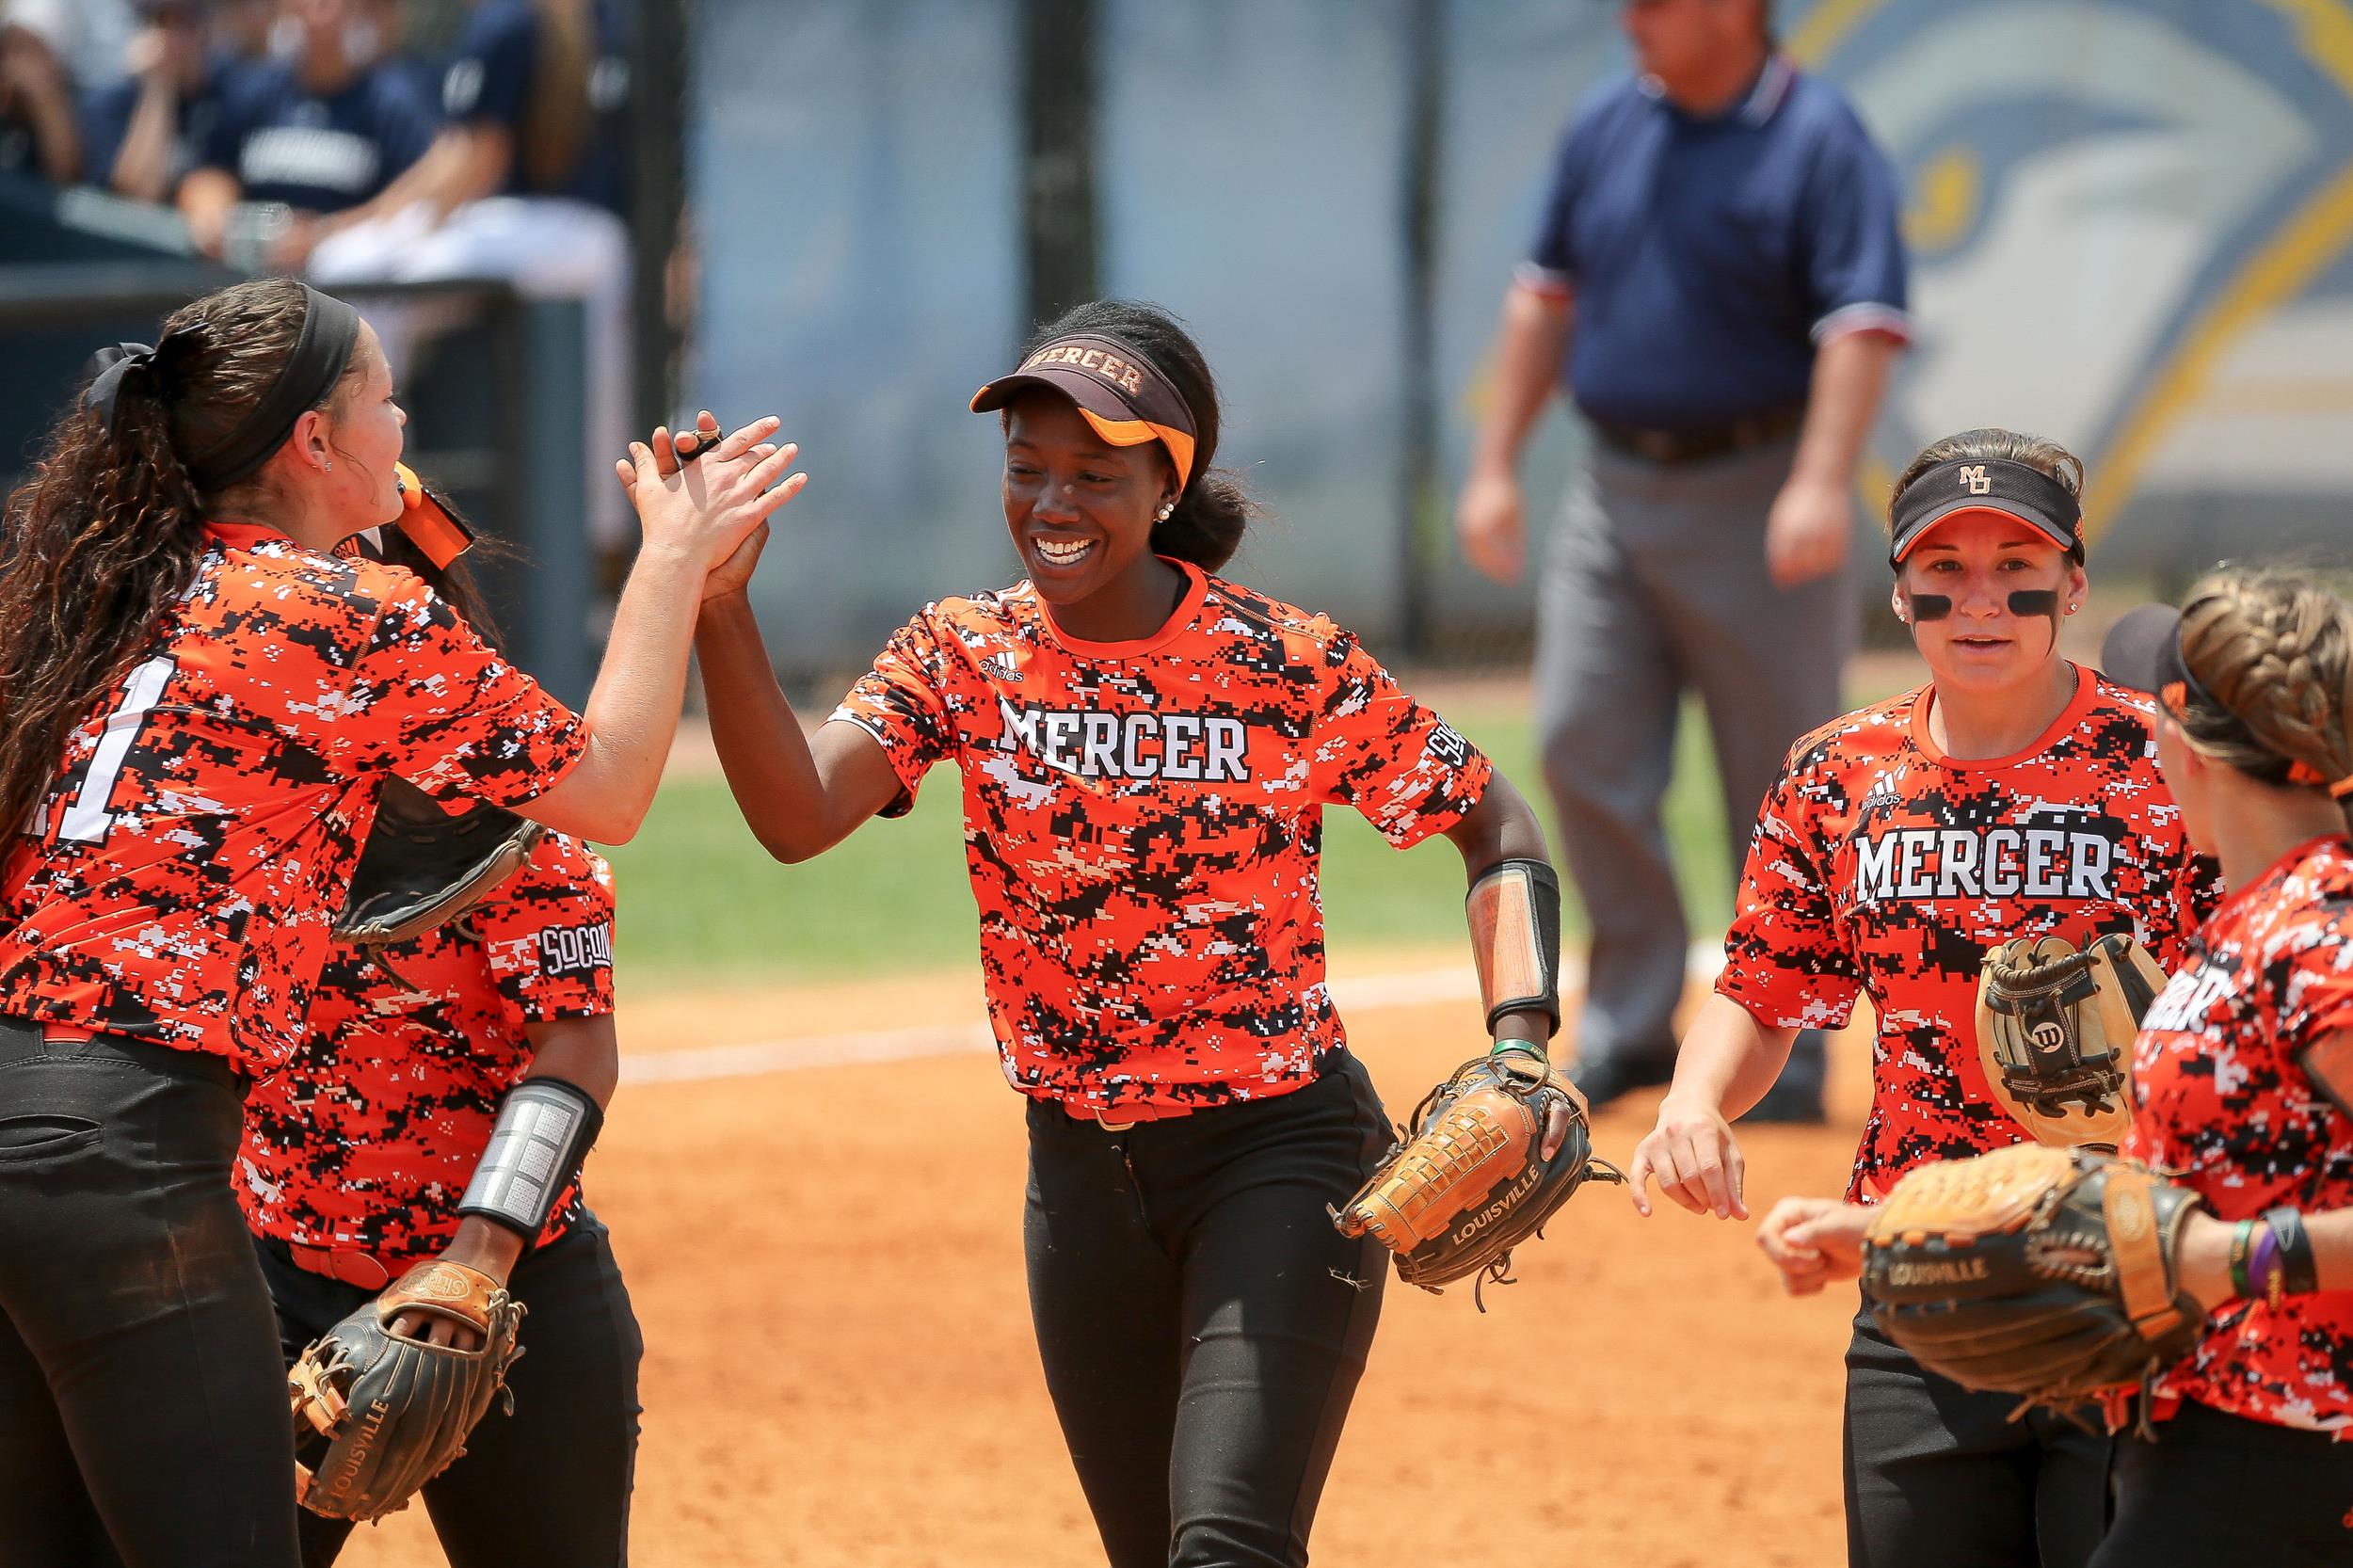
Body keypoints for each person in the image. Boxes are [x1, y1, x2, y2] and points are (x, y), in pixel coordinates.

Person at [665, 300, 1574, 1568]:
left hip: (1282, 1152)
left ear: (1166, 484)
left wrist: (1519, 1042)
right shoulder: (962, 653)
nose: (1055, 502)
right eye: (1028, 469)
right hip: (1079, 1178)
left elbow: (1500, 826)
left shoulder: (1280, 662)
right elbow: (798, 815)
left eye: (1096, 475)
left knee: (1227, 1544)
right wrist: (718, 607)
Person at [0, 275, 793, 1566]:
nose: (404, 413)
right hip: (132, 1159)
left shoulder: (111, 599)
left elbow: (569, 1028)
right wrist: (669, 557)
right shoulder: (334, 613)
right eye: (380, 393)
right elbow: (609, 784)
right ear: (314, 442)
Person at [1635, 428, 2218, 1568]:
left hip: (2122, 1272)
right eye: (1943, 571)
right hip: (1923, 1269)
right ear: (1899, 591)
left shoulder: (2167, 764)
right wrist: (1693, 1099)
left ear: (2075, 582)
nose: (1980, 601)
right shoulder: (1837, 776)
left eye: (2015, 566)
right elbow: (1763, 989)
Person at [1453, 0, 1910, 1120]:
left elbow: (1861, 324)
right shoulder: (1610, 120)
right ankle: (1630, 1022)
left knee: (1782, 781)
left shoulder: (1817, 137)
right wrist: (1495, 461)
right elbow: (1542, 296)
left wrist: (1817, 476)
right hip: (1610, 488)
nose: (1629, 15)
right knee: (1578, 740)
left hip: (1759, 487)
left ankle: (1788, 1050)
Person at [242, 530, 636, 1568]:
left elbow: (576, 1049)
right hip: (268, 1279)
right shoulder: (240, 811)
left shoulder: (524, 834)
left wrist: (473, 1265)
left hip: (508, 1297)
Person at [310, 0, 635, 552]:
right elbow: (462, 153)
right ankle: (365, 470)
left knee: (358, 271)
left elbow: (477, 160)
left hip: (558, 229)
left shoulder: (517, 17)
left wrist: (396, 227)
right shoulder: (584, 18)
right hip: (563, 233)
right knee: (349, 265)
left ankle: (358, 481)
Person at [177, 0, 436, 271]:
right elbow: (209, 171)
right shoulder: (253, 90)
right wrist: (214, 219)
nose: (318, 10)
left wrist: (326, 234)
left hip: (347, 280)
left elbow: (417, 196)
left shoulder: (389, 100)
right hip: (252, 273)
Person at [80, 0, 264, 205]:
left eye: (185, 25)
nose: (172, 39)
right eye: (162, 24)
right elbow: (140, 194)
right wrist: (158, 86)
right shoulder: (114, 101)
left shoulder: (232, 98)